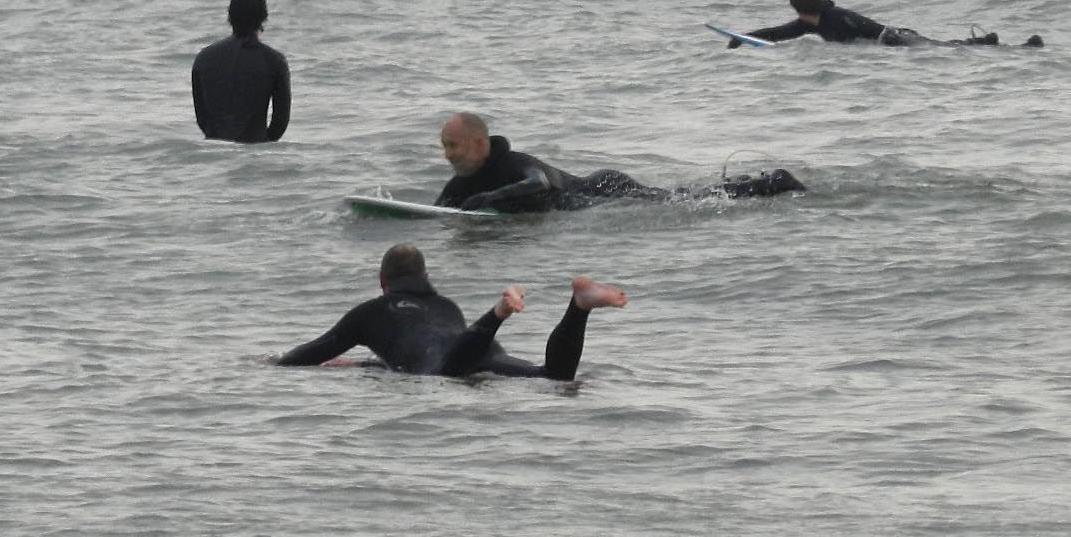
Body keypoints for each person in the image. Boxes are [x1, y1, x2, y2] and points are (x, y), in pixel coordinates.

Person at [272, 243, 628, 380]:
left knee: (450, 368)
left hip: (446, 362)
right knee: (553, 375)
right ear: (426, 278)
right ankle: (578, 306)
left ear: (383, 280)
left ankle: (498, 312)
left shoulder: (370, 313)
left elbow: (312, 353)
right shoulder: (446, 305)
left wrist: (271, 363)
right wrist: (366, 364)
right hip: (480, 352)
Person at [435, 111, 805, 213]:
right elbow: (436, 213)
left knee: (685, 199)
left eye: (454, 146)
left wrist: (489, 199)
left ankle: (770, 183)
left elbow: (540, 185)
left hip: (606, 189)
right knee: (685, 196)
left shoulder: (514, 163)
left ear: (480, 143)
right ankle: (753, 181)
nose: (448, 155)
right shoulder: (463, 182)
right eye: (444, 147)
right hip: (593, 200)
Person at [731, 0, 1042, 49]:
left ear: (802, 10)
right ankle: (986, 42)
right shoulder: (810, 22)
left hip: (895, 40)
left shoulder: (836, 18)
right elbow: (776, 33)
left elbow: (873, 32)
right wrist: (742, 37)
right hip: (893, 40)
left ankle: (1018, 47)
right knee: (945, 46)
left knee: (944, 48)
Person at [192, 0, 291, 143]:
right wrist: (263, 141)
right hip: (255, 150)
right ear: (263, 16)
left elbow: (202, 119)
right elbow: (280, 122)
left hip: (212, 155)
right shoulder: (274, 61)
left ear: (230, 15)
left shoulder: (203, 59)